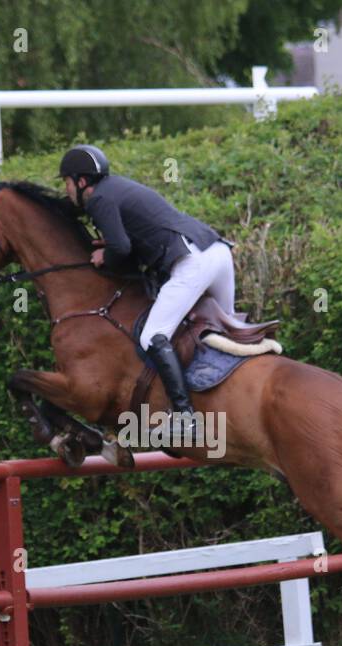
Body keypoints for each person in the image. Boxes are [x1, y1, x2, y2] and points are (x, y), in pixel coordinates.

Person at [60, 144, 234, 439]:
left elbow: (121, 248)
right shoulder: (118, 187)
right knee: (226, 333)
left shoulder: (98, 199)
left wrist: (106, 257)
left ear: (81, 181)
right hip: (217, 252)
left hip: (192, 262)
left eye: (66, 182)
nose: (66, 190)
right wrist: (115, 248)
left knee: (153, 335)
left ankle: (186, 419)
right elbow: (131, 240)